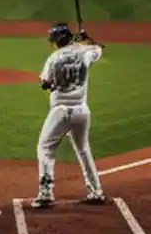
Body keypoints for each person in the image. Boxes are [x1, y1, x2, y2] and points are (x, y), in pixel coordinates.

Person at [32, 23, 106, 209]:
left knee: (45, 148)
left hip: (60, 112)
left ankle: (46, 194)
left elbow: (45, 83)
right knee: (83, 150)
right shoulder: (86, 51)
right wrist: (86, 39)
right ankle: (96, 191)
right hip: (82, 111)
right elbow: (99, 49)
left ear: (57, 41)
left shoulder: (53, 58)